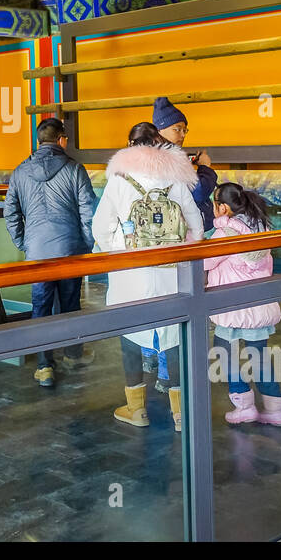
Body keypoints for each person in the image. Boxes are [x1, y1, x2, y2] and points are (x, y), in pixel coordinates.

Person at [92, 122, 204, 431]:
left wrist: (123, 248)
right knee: (174, 336)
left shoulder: (119, 178)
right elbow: (195, 225)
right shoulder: (176, 176)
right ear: (158, 142)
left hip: (132, 272)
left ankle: (136, 409)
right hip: (171, 271)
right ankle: (181, 415)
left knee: (130, 335)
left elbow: (101, 226)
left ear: (128, 146)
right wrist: (176, 248)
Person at [3, 117, 96, 388]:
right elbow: (87, 211)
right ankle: (72, 353)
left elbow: (10, 212)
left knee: (41, 306)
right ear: (62, 139)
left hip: (37, 253)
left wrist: (24, 242)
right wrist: (86, 246)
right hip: (69, 250)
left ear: (38, 140)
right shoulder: (75, 169)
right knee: (70, 304)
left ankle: (44, 366)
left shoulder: (20, 172)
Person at [205, 182, 281, 426]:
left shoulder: (225, 233)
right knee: (258, 354)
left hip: (233, 306)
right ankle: (275, 409)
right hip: (259, 303)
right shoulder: (259, 226)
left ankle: (244, 405)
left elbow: (205, 262)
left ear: (222, 208)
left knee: (224, 350)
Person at [153, 97, 218, 231]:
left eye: (185, 130)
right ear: (159, 130)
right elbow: (199, 191)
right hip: (180, 230)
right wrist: (205, 168)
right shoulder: (167, 158)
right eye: (177, 129)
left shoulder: (155, 155)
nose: (182, 135)